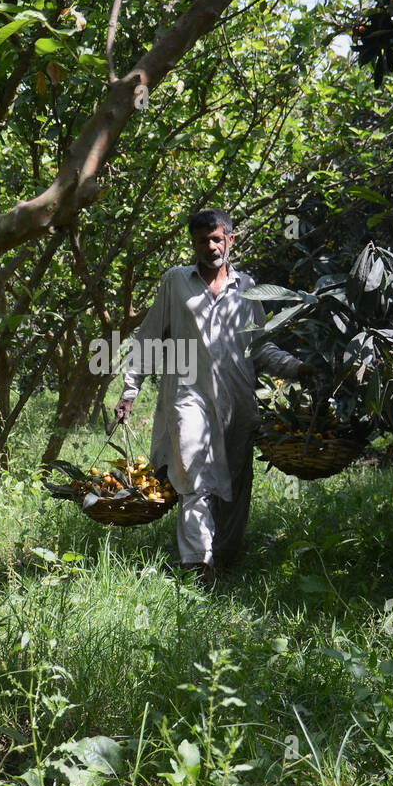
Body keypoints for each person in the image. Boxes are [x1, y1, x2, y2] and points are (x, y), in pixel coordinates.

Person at [113, 209, 314, 585]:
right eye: (202, 240)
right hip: (188, 399)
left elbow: (261, 348)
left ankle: (225, 557)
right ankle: (197, 566)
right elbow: (149, 339)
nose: (210, 246)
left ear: (231, 239)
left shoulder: (248, 288)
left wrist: (297, 368)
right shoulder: (176, 282)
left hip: (237, 403)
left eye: (217, 238)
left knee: (234, 485)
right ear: (193, 243)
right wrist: (130, 390)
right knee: (194, 479)